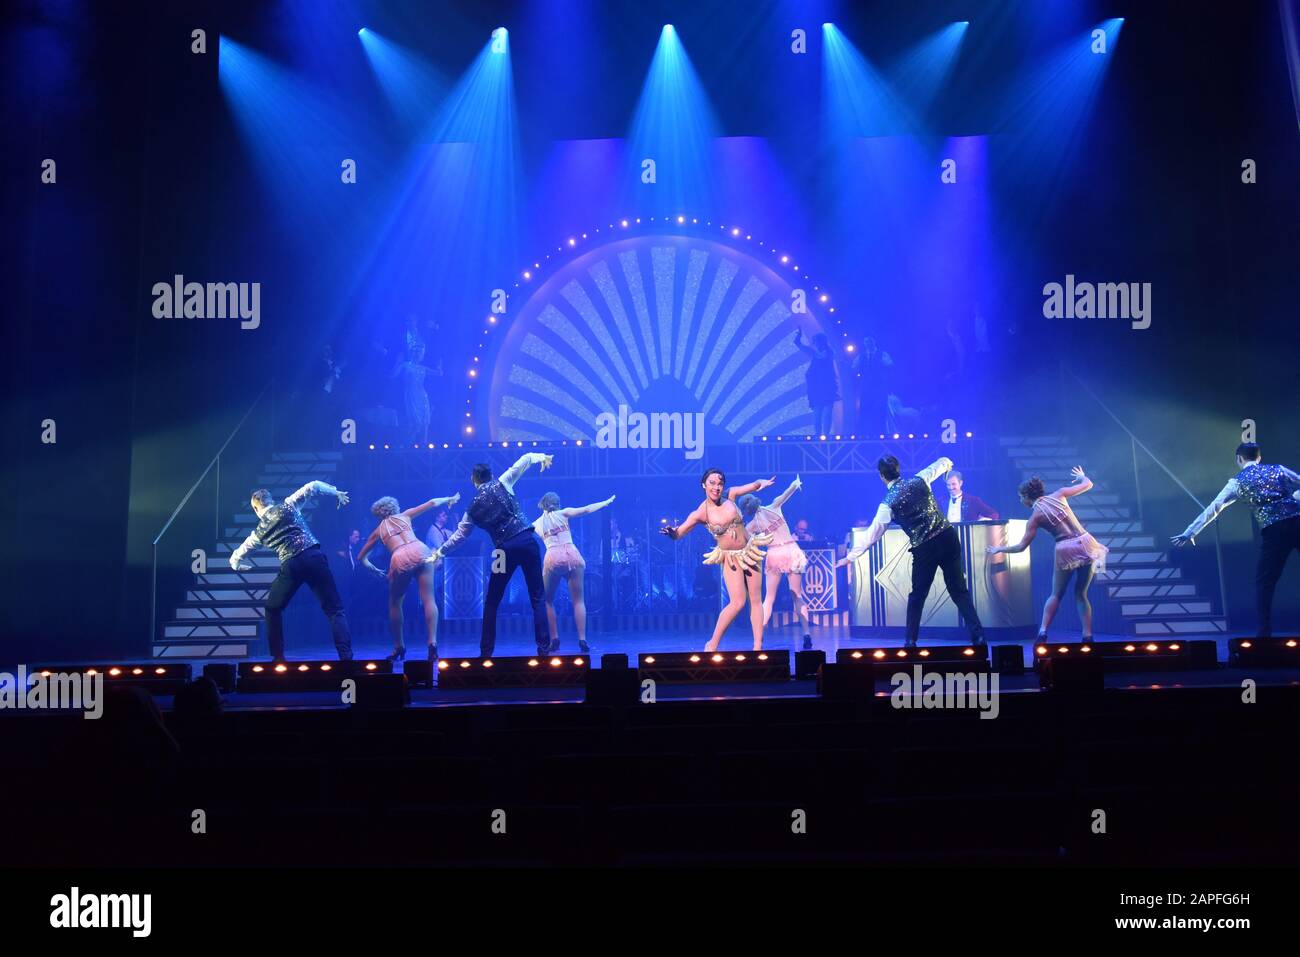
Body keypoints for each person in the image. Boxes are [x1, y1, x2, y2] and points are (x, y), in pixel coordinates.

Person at [836, 456, 985, 648]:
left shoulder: (887, 503)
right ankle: (978, 636)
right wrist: (948, 465)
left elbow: (871, 535)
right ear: (898, 470)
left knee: (918, 596)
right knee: (959, 591)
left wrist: (849, 557)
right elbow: (941, 462)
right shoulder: (919, 479)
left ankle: (910, 641)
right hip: (947, 538)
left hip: (925, 547)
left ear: (882, 476)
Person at [426, 453, 554, 657]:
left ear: (473, 480)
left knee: (492, 600)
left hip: (503, 550)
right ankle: (544, 649)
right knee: (537, 596)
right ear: (491, 475)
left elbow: (459, 536)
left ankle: (486, 652)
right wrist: (542, 457)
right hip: (527, 542)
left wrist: (439, 552)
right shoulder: (503, 481)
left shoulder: (473, 507)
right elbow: (525, 459)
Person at [1172, 442, 1300, 637]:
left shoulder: (1237, 482)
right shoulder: (1278, 469)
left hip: (1274, 532)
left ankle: (1264, 633)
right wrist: (1295, 498)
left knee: (1265, 582)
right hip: (1297, 521)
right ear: (1259, 457)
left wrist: (1190, 532)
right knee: (1265, 581)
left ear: (1239, 459)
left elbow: (1214, 508)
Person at [230, 481, 354, 661]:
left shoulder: (259, 531)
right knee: (334, 609)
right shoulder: (288, 505)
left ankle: (278, 658)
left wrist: (237, 564)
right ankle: (346, 657)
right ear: (271, 500)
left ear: (256, 509)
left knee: (273, 609)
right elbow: (313, 485)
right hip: (313, 557)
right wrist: (335, 492)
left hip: (291, 565)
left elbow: (237, 554)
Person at [661, 470, 777, 651]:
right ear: (704, 485)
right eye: (712, 483)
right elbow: (679, 533)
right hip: (730, 558)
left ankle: (757, 646)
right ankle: (712, 643)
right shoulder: (701, 513)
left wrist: (759, 483)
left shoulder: (730, 496)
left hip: (750, 550)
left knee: (756, 599)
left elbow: (752, 486)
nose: (716, 487)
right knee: (738, 602)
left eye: (719, 483)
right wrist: (672, 533)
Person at [986, 468, 1107, 641]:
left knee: (1056, 594)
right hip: (1088, 543)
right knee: (1081, 593)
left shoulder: (1035, 517)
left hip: (1066, 548)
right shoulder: (1060, 494)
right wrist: (1081, 476)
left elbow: (1021, 547)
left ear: (1028, 497)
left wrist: (1000, 549)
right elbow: (1088, 484)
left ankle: (1043, 631)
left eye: (1021, 497)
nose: (1020, 500)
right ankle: (1087, 635)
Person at [358, 492, 460, 662]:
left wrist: (372, 568)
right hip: (421, 549)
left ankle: (399, 647)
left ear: (378, 513)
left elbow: (361, 557)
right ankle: (432, 643)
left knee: (395, 602)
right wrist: (449, 499)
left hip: (400, 557)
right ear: (394, 507)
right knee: (429, 599)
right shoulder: (405, 515)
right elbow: (432, 502)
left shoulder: (377, 531)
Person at [533, 492, 616, 653]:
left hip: (553, 557)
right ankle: (582, 639)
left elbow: (523, 532)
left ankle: (555, 638)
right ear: (557, 503)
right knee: (579, 601)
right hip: (572, 555)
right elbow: (586, 509)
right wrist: (605, 502)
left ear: (542, 504)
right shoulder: (563, 513)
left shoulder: (536, 524)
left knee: (547, 601)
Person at [738, 475, 814, 650]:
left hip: (775, 553)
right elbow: (788, 491)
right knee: (797, 595)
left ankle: (759, 639)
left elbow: (743, 538)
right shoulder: (774, 506)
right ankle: (806, 633)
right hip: (791, 550)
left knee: (769, 598)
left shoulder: (752, 525)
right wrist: (796, 483)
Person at [793, 329, 839, 436]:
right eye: (815, 342)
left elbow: (826, 358)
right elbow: (799, 344)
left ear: (823, 342)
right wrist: (799, 336)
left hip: (827, 385)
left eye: (817, 341)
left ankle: (826, 434)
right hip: (816, 386)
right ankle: (818, 434)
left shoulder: (829, 352)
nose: (816, 344)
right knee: (817, 409)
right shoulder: (814, 353)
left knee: (827, 410)